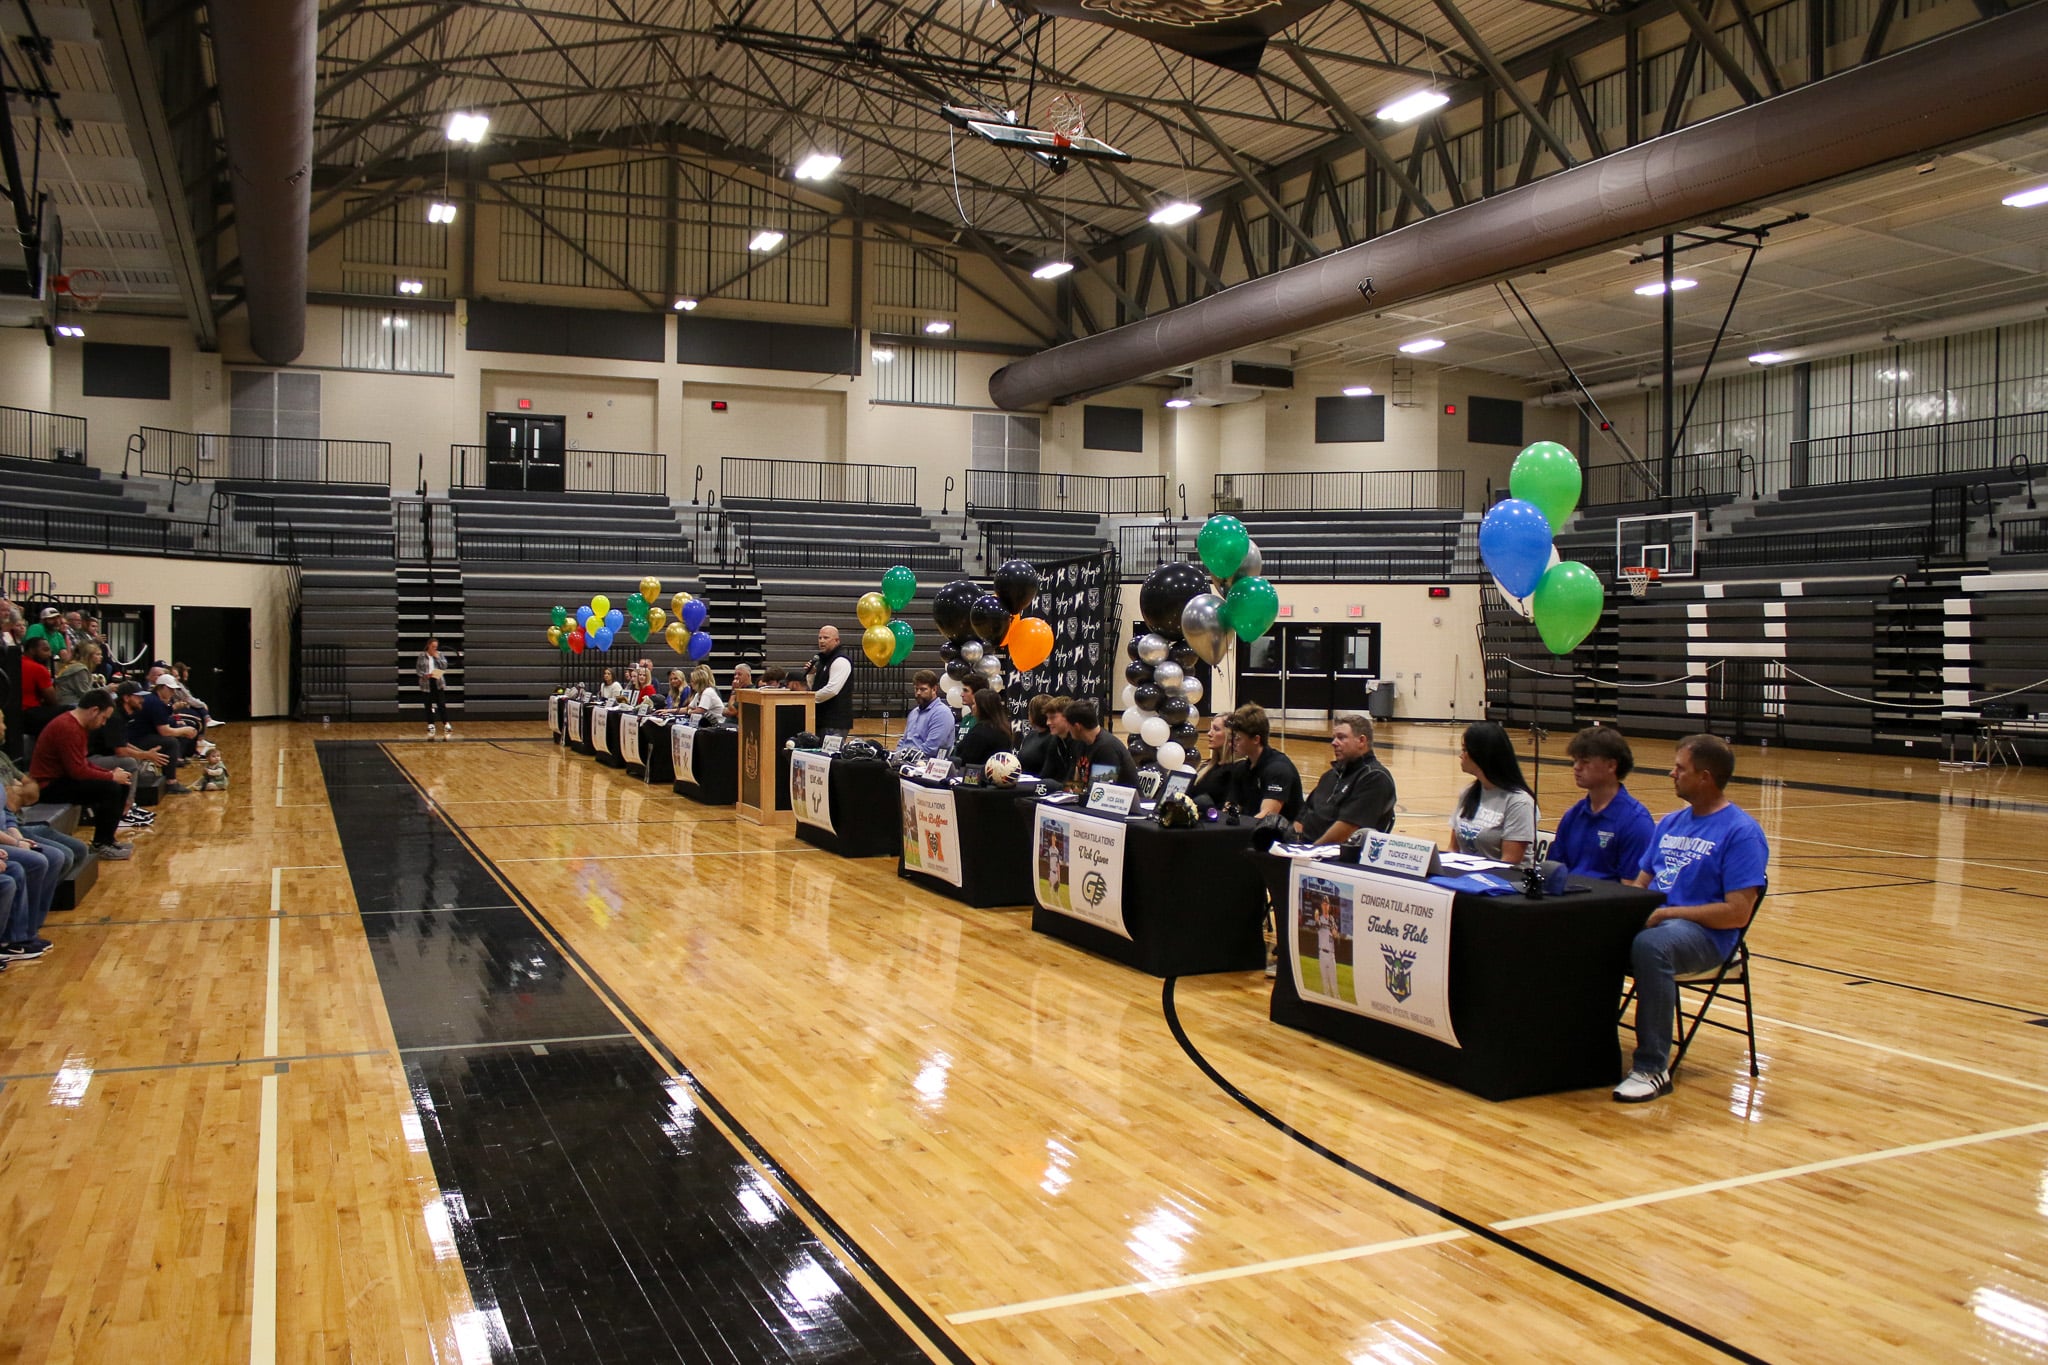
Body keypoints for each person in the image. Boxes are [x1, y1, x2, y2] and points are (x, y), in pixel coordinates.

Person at [1616, 734, 1770, 1104]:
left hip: (1708, 937)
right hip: (1663, 922)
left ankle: (1652, 1068)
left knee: (1651, 945)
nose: (1672, 774)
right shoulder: (1669, 823)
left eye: (1679, 768)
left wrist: (1670, 912)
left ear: (1704, 777)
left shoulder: (1741, 832)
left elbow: (1737, 912)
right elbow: (1642, 885)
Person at [26, 689, 134, 859]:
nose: (104, 723)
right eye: (104, 718)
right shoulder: (67, 728)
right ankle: (101, 844)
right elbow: (77, 771)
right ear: (94, 711)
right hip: (48, 786)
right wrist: (110, 776)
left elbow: (83, 763)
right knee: (111, 788)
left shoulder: (77, 725)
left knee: (121, 782)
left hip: (62, 779)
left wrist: (110, 773)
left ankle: (107, 839)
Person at [1553, 726, 1657, 882]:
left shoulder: (1636, 822)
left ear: (1611, 766)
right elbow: (1555, 870)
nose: (1576, 767)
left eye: (1585, 761)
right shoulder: (1573, 815)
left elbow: (1632, 892)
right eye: (1575, 761)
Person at [1295, 713, 1396, 844]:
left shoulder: (1374, 777)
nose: (1334, 743)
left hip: (1334, 858)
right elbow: (1303, 816)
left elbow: (1345, 830)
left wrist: (1310, 851)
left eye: (1341, 738)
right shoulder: (1330, 776)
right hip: (1303, 850)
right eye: (1334, 738)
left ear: (1361, 741)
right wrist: (1294, 842)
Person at [1448, 721, 1537, 866]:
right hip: (1465, 878)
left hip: (1502, 882)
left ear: (1481, 754)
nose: (1460, 755)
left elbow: (1509, 863)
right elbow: (1453, 849)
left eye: (1465, 750)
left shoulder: (1519, 802)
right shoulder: (1467, 793)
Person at [0, 775, 60, 960]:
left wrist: (17, 836)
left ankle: (29, 930)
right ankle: (15, 938)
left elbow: (7, 814)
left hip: (7, 836)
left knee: (55, 856)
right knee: (34, 862)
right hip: (4, 842)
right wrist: (16, 842)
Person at [1225, 704, 1303, 822]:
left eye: (1238, 738)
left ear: (1256, 739)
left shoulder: (1278, 769)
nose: (1233, 743)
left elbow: (1266, 817)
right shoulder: (1242, 769)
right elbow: (1230, 807)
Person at [1065, 700, 1138, 790]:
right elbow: (1077, 780)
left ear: (1077, 727)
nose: (1068, 729)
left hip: (1122, 800)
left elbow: (1101, 791)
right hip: (1094, 796)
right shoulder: (1081, 742)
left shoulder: (1107, 748)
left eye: (1068, 725)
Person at [806, 625, 853, 734]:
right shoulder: (822, 660)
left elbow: (832, 690)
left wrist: (808, 700)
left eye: (826, 638)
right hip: (820, 719)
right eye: (820, 638)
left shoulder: (841, 660)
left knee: (830, 752)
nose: (822, 641)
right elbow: (814, 687)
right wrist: (811, 674)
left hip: (834, 722)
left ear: (836, 641)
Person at [954, 689, 1016, 771]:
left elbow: (965, 760)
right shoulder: (1004, 728)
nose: (973, 707)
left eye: (974, 704)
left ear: (982, 708)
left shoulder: (979, 732)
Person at [1016, 694, 1072, 782]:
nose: (1048, 722)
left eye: (1052, 717)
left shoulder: (1054, 739)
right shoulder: (1031, 735)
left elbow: (1047, 774)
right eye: (1048, 718)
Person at [900, 670, 955, 753]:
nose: (918, 693)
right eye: (916, 689)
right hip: (906, 759)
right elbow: (903, 741)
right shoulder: (914, 713)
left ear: (934, 689)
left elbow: (932, 748)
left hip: (924, 762)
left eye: (923, 689)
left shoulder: (942, 713)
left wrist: (905, 757)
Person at [1189, 713, 1238, 804]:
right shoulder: (1206, 766)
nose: (1209, 734)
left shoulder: (1234, 770)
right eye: (1211, 729)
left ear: (1230, 735)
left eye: (1216, 729)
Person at [20, 636, 58, 736]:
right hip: (29, 714)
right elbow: (52, 700)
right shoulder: (39, 668)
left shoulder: (15, 663)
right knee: (70, 711)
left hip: (13, 714)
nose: (49, 654)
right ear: (32, 650)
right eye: (45, 650)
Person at [419, 638, 452, 737]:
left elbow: (445, 666)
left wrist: (437, 657)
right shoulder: (422, 656)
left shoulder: (440, 654)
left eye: (436, 647)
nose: (434, 648)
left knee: (441, 704)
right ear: (428, 645)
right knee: (428, 704)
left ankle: (446, 723)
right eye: (433, 646)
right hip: (426, 682)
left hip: (438, 681)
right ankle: (431, 724)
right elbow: (418, 669)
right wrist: (425, 675)